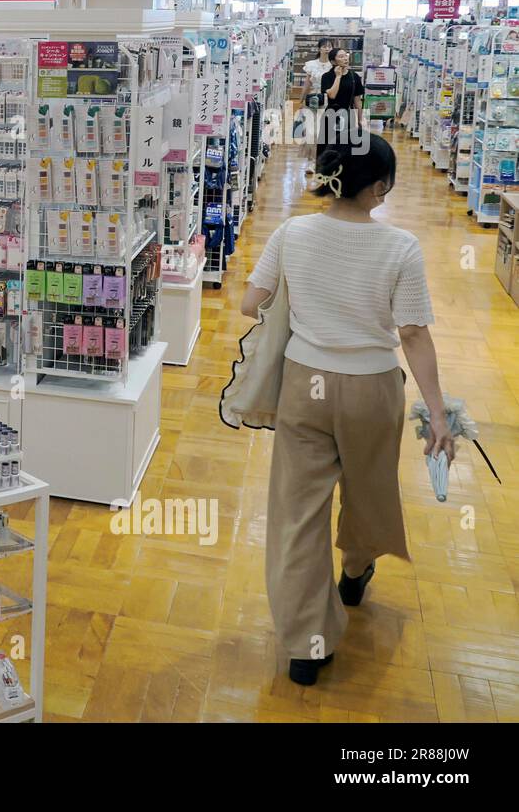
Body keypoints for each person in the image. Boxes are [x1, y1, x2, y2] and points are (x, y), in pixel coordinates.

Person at [238, 137, 454, 686]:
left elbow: (249, 302)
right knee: (368, 489)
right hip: (372, 387)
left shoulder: (292, 232)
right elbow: (412, 334)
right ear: (379, 186)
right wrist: (439, 414)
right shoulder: (400, 247)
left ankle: (308, 648)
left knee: (298, 513)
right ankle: (355, 572)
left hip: (303, 384)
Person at [321, 47, 363, 150]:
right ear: (333, 61)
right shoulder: (327, 76)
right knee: (329, 146)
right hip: (331, 115)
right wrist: (338, 77)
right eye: (341, 56)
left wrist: (360, 119)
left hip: (348, 115)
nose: (345, 58)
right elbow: (332, 95)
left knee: (347, 148)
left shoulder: (354, 77)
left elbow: (357, 101)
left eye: (346, 55)